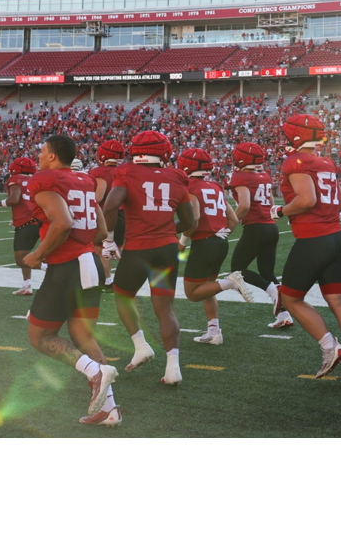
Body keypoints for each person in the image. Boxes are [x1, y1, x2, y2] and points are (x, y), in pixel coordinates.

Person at [21, 134, 120, 426]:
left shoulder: (45, 180)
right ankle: (110, 410)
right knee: (82, 336)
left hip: (67, 268)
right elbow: (101, 232)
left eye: (42, 151)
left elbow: (62, 223)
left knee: (39, 337)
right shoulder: (85, 180)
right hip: (90, 266)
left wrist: (38, 254)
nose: (39, 156)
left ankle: (94, 372)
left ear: (52, 155)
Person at [275, 113, 341, 384]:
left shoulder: (296, 161)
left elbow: (306, 199)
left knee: (291, 299)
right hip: (337, 239)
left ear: (295, 137)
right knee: (340, 301)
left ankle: (330, 347)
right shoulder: (326, 162)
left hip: (313, 240)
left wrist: (281, 210)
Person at [102, 130, 194, 385]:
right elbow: (190, 221)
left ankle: (141, 345)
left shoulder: (127, 173)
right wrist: (165, 231)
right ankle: (173, 368)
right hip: (166, 249)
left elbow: (110, 206)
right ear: (164, 152)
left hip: (138, 249)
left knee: (122, 295)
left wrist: (109, 239)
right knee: (165, 309)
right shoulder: (176, 176)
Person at [178, 147, 251, 345]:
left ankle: (230, 283)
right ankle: (214, 332)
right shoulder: (215, 186)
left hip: (205, 243)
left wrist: (182, 242)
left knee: (192, 293)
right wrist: (221, 234)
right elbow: (233, 219)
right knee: (207, 288)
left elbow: (195, 219)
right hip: (220, 241)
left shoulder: (191, 186)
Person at [225, 142, 287, 327]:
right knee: (267, 272)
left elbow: (244, 205)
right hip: (270, 228)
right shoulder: (264, 175)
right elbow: (270, 201)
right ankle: (284, 316)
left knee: (237, 270)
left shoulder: (240, 176)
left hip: (256, 228)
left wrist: (231, 224)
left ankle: (273, 291)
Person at [0, 157, 40, 295]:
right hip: (40, 219)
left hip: (27, 222)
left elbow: (14, 199)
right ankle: (27, 285)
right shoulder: (37, 179)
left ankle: (48, 268)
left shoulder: (16, 179)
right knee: (26, 255)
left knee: (21, 259)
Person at [87, 139, 127, 286]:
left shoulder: (100, 172)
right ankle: (124, 280)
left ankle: (108, 280)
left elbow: (98, 197)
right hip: (122, 215)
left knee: (100, 251)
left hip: (105, 216)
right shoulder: (123, 171)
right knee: (118, 251)